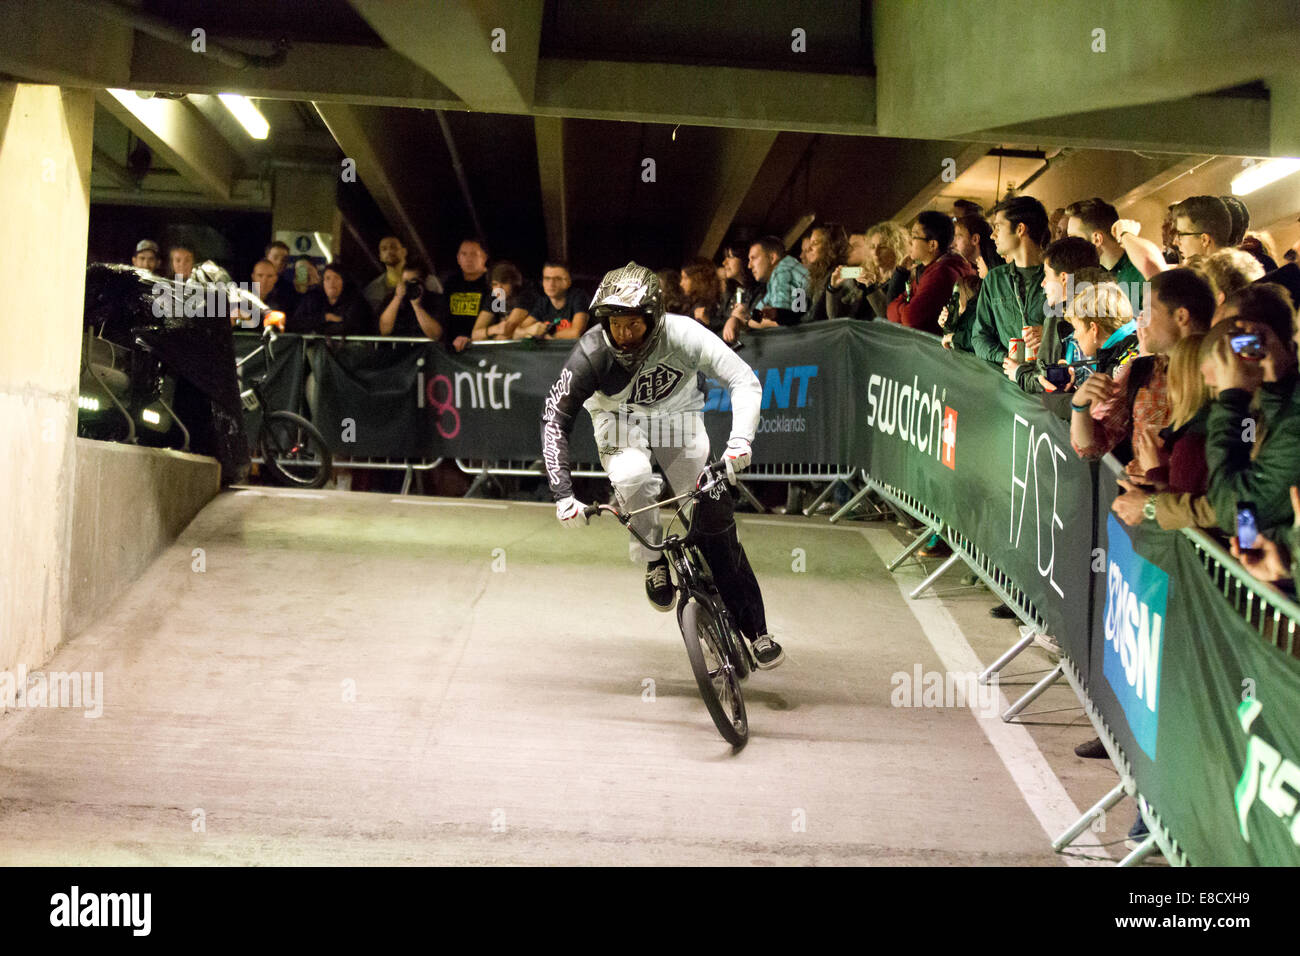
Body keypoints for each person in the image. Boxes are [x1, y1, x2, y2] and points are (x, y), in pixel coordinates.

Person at [541, 262, 785, 668]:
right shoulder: (590, 353)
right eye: (614, 324)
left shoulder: (683, 333)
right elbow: (555, 418)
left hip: (678, 417)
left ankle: (756, 631)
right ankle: (654, 559)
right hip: (618, 421)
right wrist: (563, 494)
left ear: (654, 317)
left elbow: (743, 379)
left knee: (716, 526)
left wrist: (740, 440)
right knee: (633, 476)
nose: (623, 335)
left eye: (633, 324)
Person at [1204, 283, 1300, 537]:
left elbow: (1235, 512)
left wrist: (1233, 398)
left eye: (1248, 339)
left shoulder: (1292, 424)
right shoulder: (1263, 408)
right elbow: (1248, 524)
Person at [971, 195, 1049, 390]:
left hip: (1049, 386)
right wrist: (1007, 358)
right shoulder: (994, 279)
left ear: (1020, 229)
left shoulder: (1059, 275)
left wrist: (1049, 333)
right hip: (1010, 387)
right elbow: (979, 337)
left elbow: (1082, 330)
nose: (992, 235)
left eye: (998, 227)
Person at [1025, 237, 1102, 392]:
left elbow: (1045, 377)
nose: (1043, 283)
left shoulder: (1056, 316)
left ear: (1064, 278)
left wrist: (1018, 373)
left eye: (1047, 275)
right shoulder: (1106, 306)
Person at [886, 211, 972, 335]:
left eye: (914, 236)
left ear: (932, 245)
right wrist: (904, 307)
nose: (910, 241)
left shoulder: (942, 273)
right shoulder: (929, 268)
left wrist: (901, 307)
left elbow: (910, 319)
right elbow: (890, 311)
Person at [1064, 198, 1147, 315]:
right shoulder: (1090, 277)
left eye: (1073, 237)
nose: (1069, 245)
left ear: (1097, 239)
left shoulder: (1140, 273)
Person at [721, 236, 808, 342]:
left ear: (772, 258)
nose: (749, 265)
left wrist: (745, 320)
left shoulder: (782, 271)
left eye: (753, 258)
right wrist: (739, 318)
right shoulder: (774, 281)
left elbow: (785, 318)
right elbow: (760, 310)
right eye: (748, 260)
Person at [363, 235, 442, 316]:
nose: (389, 251)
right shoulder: (372, 291)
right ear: (380, 256)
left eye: (393, 247)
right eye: (384, 249)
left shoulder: (428, 280)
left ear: (404, 251)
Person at [287, 263, 373, 336]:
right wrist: (325, 318)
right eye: (327, 278)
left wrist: (317, 328)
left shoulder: (357, 302)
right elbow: (296, 323)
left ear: (344, 281)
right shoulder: (313, 299)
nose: (332, 282)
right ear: (323, 282)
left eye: (336, 278)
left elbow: (352, 327)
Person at [513, 261, 590, 340]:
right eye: (547, 278)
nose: (551, 284)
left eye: (557, 279)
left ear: (568, 281)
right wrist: (529, 331)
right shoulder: (543, 302)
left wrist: (546, 335)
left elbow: (576, 333)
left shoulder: (578, 297)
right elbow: (516, 333)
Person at [440, 237, 491, 351]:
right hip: (452, 347)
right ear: (458, 258)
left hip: (484, 347)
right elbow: (445, 316)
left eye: (474, 254)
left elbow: (500, 317)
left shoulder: (496, 282)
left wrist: (472, 338)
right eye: (464, 254)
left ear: (484, 257)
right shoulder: (451, 282)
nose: (468, 259)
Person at [378, 257, 443, 339]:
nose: (409, 286)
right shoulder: (391, 300)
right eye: (405, 282)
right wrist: (397, 298)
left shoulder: (436, 300)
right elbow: (384, 331)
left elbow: (436, 335)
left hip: (427, 350)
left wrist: (417, 306)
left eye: (413, 281)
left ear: (423, 280)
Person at [472, 261, 533, 340]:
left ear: (513, 283)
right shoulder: (494, 296)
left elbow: (507, 332)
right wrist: (495, 329)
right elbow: (475, 335)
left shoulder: (525, 294)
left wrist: (488, 334)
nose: (499, 288)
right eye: (495, 284)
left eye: (504, 283)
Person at [680, 256, 724, 329]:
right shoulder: (691, 302)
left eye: (685, 278)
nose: (681, 283)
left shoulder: (703, 308)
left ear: (698, 279)